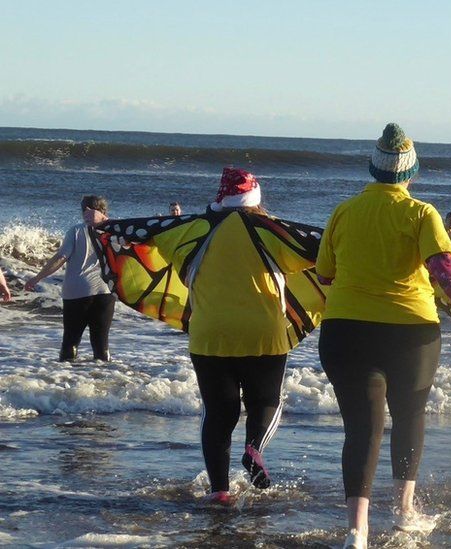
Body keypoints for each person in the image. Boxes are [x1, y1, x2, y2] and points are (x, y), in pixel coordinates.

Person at [90, 169, 324, 505]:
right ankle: (254, 448)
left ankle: (219, 491)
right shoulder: (272, 231)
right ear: (255, 200)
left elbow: (141, 233)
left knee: (218, 412)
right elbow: (327, 247)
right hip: (264, 333)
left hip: (209, 334)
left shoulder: (188, 230)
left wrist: (106, 228)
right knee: (266, 400)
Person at [315, 123, 451, 549]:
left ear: (373, 168)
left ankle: (358, 531)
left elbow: (325, 272)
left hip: (345, 331)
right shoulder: (421, 213)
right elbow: (444, 266)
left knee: (361, 428)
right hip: (410, 333)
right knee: (408, 417)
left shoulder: (343, 211)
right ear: (412, 173)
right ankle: (405, 513)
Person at [25, 195, 116, 361]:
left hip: (77, 292)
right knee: (101, 345)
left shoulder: (76, 231)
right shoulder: (114, 231)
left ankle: (66, 382)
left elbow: (61, 258)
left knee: (71, 342)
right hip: (106, 291)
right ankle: (104, 380)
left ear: (86, 211)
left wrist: (37, 278)